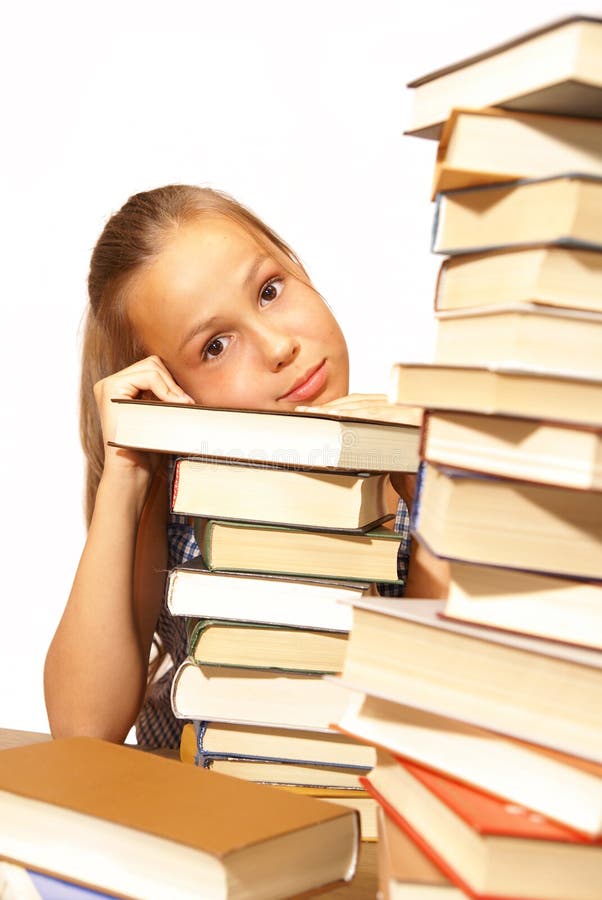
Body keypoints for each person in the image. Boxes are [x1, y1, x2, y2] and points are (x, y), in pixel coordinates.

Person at [44, 184, 446, 748]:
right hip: (206, 813)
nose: (279, 345)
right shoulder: (174, 505)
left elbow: (440, 694)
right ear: (169, 391)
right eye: (214, 346)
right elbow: (82, 729)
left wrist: (430, 504)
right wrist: (129, 466)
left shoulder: (406, 473)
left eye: (270, 290)